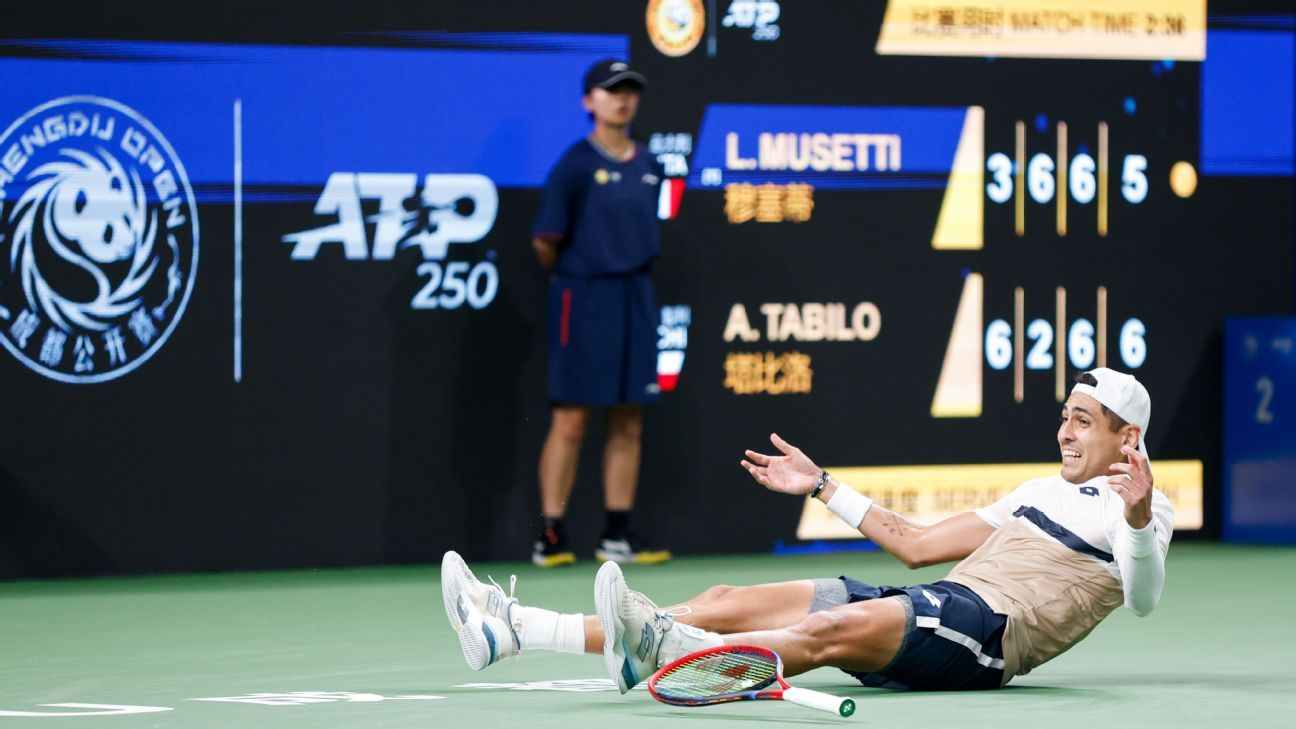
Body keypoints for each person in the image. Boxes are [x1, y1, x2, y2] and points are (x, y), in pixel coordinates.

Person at [444, 367, 1172, 693]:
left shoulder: (1139, 507)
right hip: (937, 603)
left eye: (1083, 419)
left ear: (1125, 434)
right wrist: (823, 485)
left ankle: (666, 653)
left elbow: (1140, 599)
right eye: (1065, 415)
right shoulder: (1038, 489)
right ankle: (515, 629)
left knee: (823, 634)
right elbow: (917, 544)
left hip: (985, 638)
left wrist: (1137, 521)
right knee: (731, 596)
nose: (1065, 430)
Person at [527, 58, 671, 568]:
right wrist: (578, 272)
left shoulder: (651, 164)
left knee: (629, 419)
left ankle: (616, 534)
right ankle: (551, 535)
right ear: (590, 101)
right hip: (582, 297)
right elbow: (546, 240)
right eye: (611, 91)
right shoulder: (574, 165)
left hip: (636, 296)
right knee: (571, 418)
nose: (622, 99)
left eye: (630, 90)